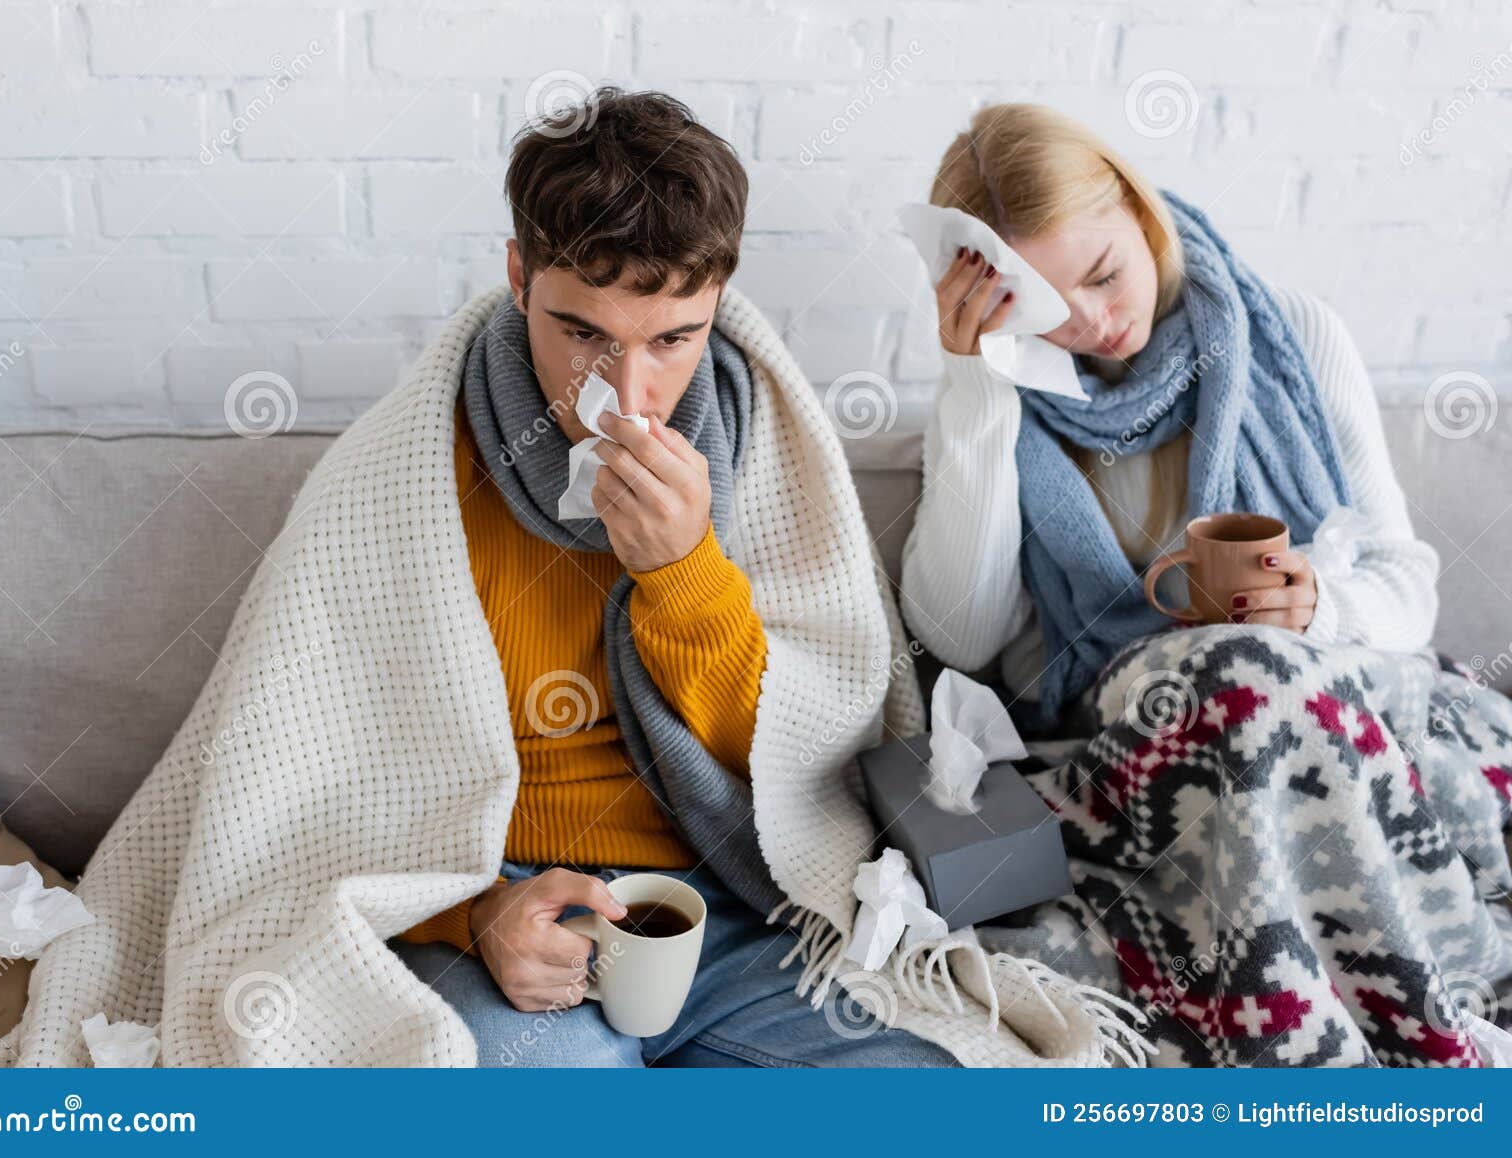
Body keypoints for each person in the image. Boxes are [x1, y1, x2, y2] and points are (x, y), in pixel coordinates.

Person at [899, 103, 1512, 1066]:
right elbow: (963, 639)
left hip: (1340, 708)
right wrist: (975, 387)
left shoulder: (1294, 335)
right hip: (1144, 751)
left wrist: (1320, 607)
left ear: (1143, 216)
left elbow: (1408, 591)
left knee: (1253, 670)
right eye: (1053, 310)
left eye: (1104, 274)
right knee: (1232, 675)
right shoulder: (1003, 397)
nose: (1097, 324)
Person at [385, 87, 957, 1068]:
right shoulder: (410, 467)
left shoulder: (761, 447)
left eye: (671, 338)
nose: (630, 394)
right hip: (514, 903)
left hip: (730, 896)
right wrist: (473, 916)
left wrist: (683, 574)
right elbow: (325, 798)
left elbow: (801, 765)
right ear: (519, 278)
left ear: (719, 307)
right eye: (584, 334)